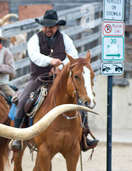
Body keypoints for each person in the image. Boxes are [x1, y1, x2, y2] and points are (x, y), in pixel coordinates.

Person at [10, 10, 98, 151]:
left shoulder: (66, 40)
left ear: (57, 26)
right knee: (23, 100)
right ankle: (17, 136)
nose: (47, 29)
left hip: (60, 79)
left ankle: (84, 135)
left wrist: (61, 66)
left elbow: (74, 57)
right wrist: (52, 61)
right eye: (45, 26)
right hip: (38, 79)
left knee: (79, 99)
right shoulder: (34, 39)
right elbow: (34, 56)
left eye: (50, 26)